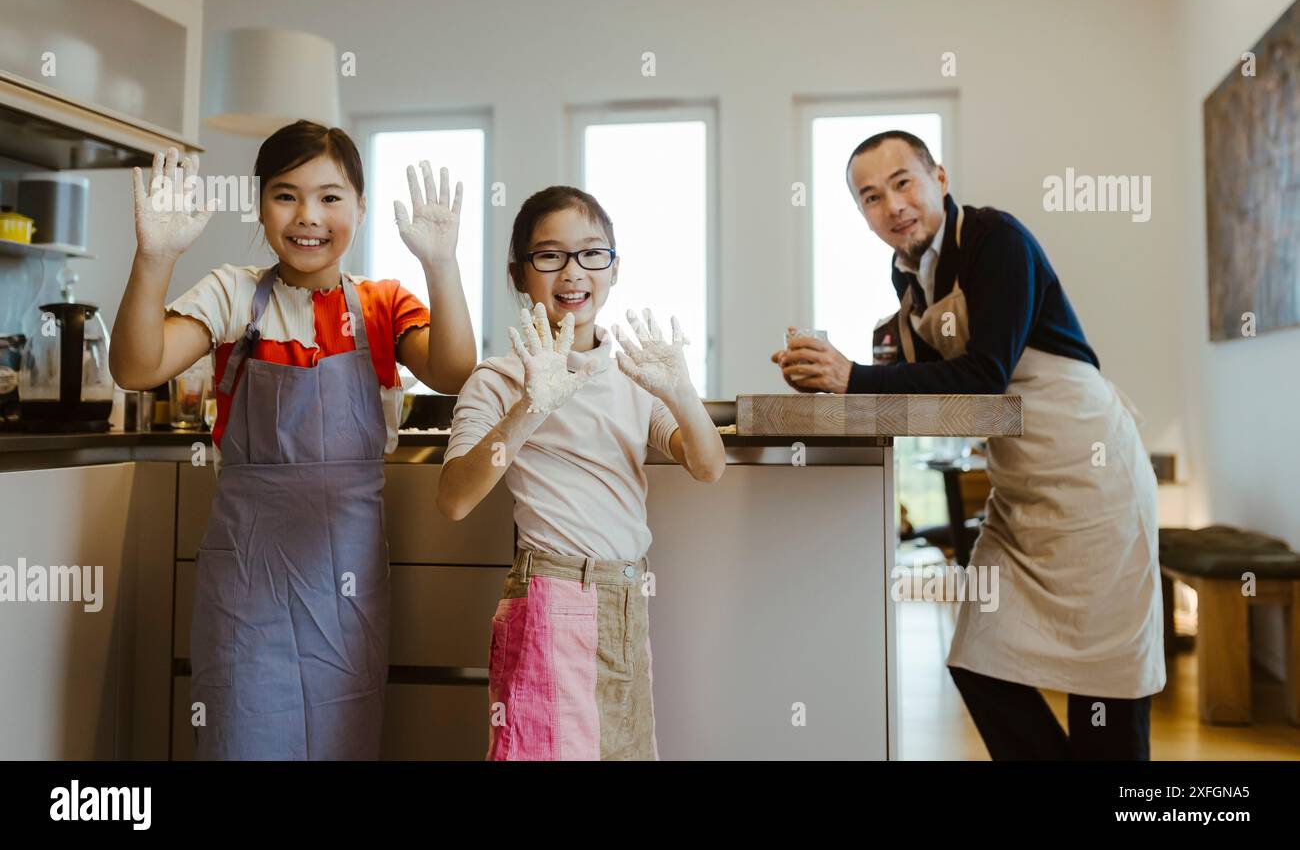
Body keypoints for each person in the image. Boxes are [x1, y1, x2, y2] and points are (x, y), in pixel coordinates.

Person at [772, 130, 1164, 760]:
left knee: (1105, 702)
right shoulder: (907, 275)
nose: (893, 206)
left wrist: (853, 379)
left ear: (940, 178)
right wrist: (829, 378)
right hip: (1021, 488)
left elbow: (983, 379)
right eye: (871, 198)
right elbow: (933, 392)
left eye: (903, 183)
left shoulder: (995, 241)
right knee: (980, 662)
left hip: (1094, 481)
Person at [110, 121, 478, 758]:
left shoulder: (383, 304)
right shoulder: (232, 293)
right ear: (260, 205)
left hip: (346, 582)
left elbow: (452, 370)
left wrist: (441, 265)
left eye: (331, 197)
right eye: (286, 194)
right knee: (240, 730)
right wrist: (155, 258)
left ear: (361, 207)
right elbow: (136, 368)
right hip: (247, 575)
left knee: (343, 734)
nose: (308, 216)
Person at [437, 185, 725, 760]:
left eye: (592, 253)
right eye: (550, 255)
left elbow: (707, 464)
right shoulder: (497, 379)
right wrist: (531, 406)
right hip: (552, 595)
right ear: (520, 275)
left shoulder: (635, 374)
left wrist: (681, 392)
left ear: (613, 270)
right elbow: (454, 499)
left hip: (625, 596)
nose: (573, 271)